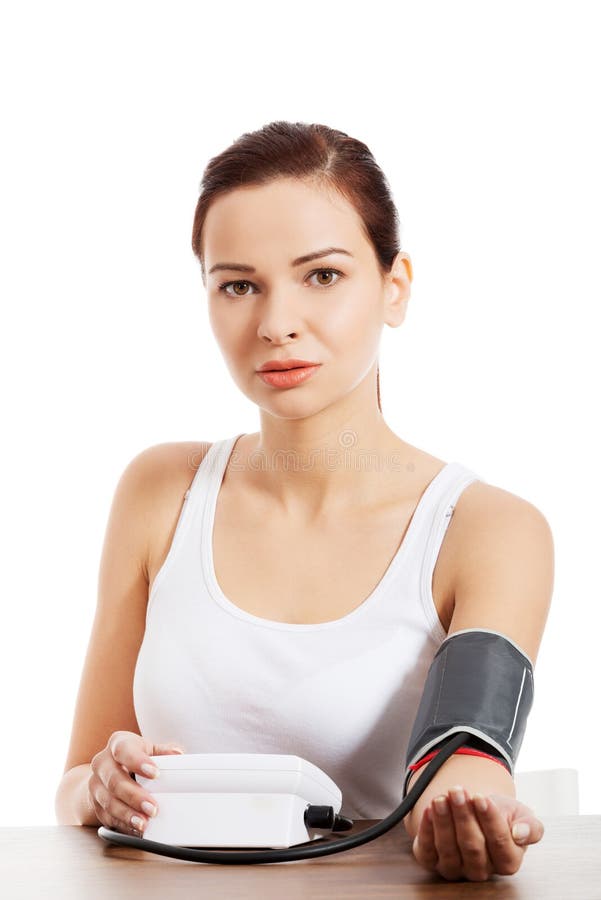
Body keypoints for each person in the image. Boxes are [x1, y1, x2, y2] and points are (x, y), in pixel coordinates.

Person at [55, 120, 554, 883]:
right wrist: (99, 785)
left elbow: (469, 762)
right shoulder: (160, 492)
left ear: (395, 287)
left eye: (321, 275)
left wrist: (471, 811)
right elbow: (74, 783)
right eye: (238, 285)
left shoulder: (484, 529)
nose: (275, 323)